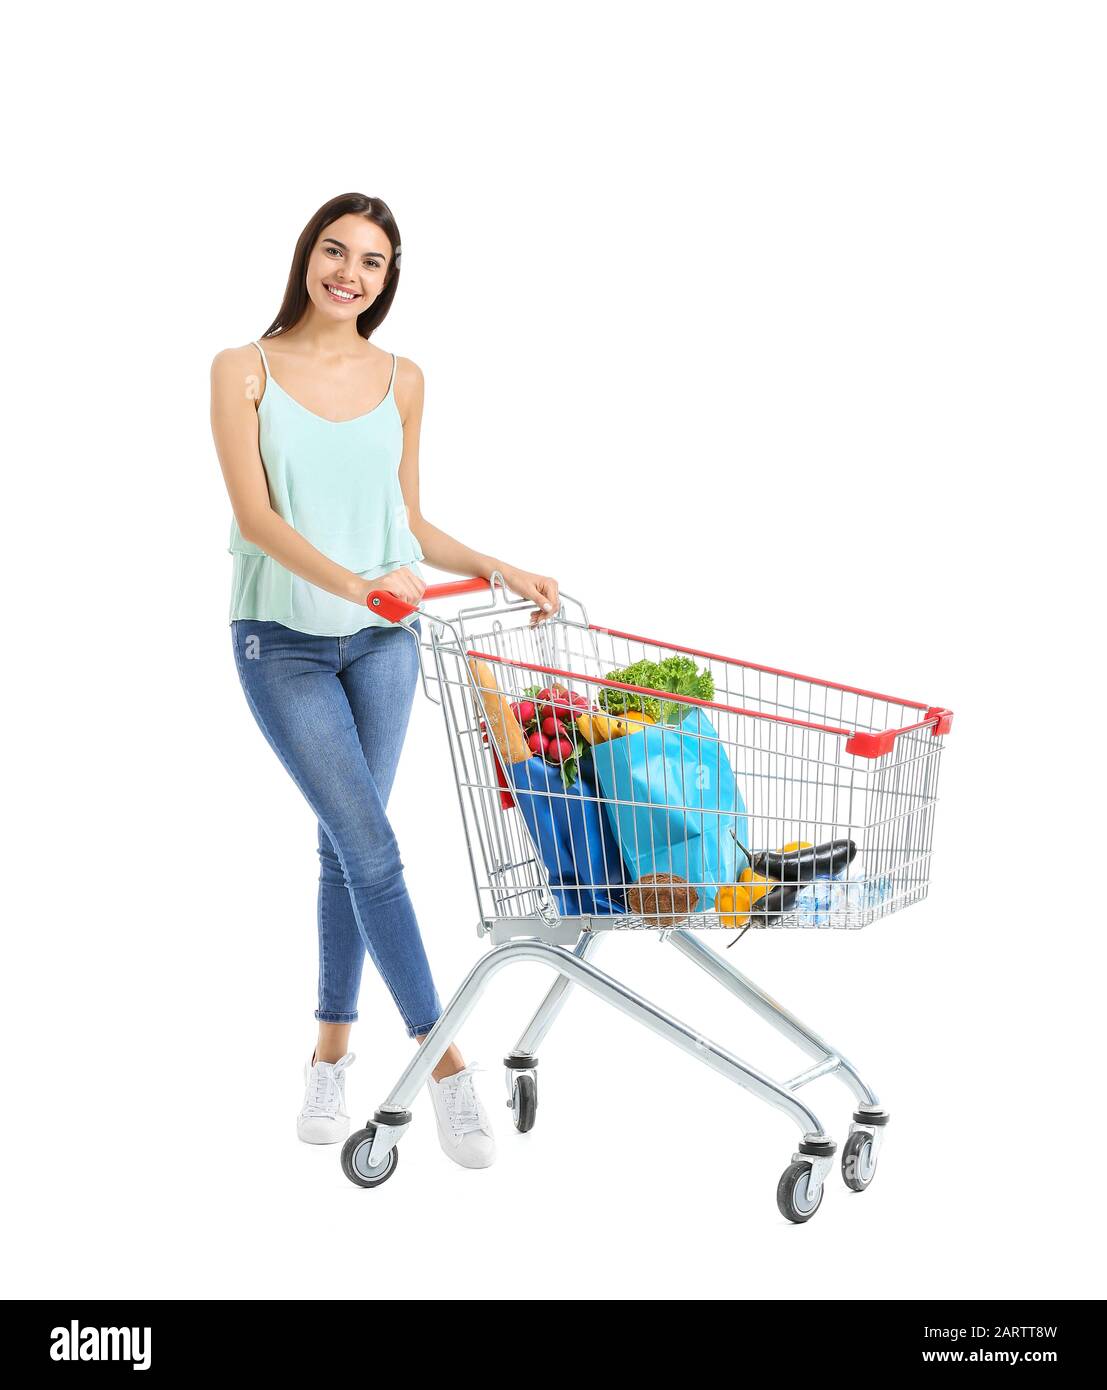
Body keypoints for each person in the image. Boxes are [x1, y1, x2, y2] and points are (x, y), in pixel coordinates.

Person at [210, 192, 559, 1169]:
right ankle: (443, 1064)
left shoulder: (404, 379)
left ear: (386, 279)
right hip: (281, 641)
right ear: (307, 254)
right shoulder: (243, 370)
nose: (349, 273)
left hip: (384, 645)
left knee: (345, 844)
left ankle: (328, 1048)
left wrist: (497, 566)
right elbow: (259, 518)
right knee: (374, 849)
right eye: (335, 250)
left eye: (371, 261)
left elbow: (409, 525)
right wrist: (356, 584)